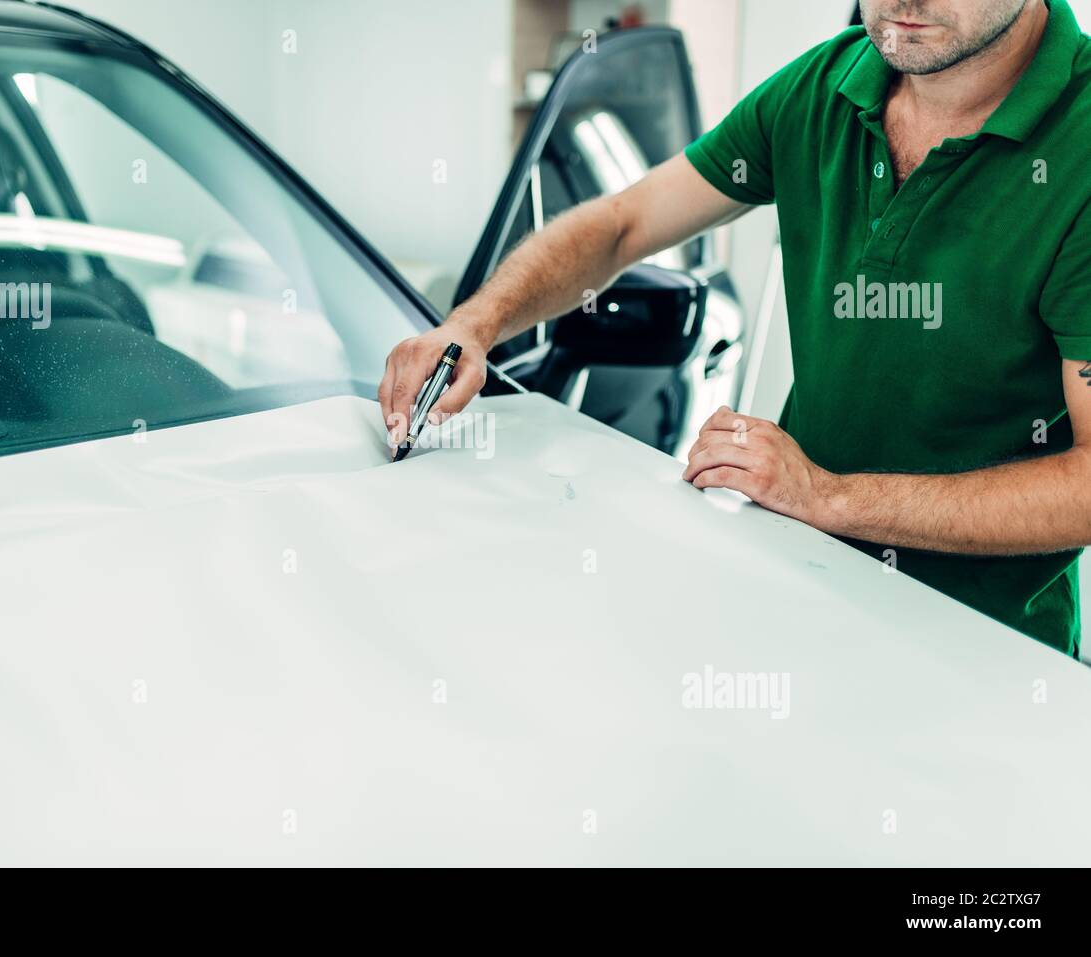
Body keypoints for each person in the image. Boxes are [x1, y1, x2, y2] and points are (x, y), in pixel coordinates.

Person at [378, 0, 1091, 656]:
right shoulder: (829, 84)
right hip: (795, 599)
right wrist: (475, 322)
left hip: (981, 661)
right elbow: (624, 224)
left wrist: (828, 496)